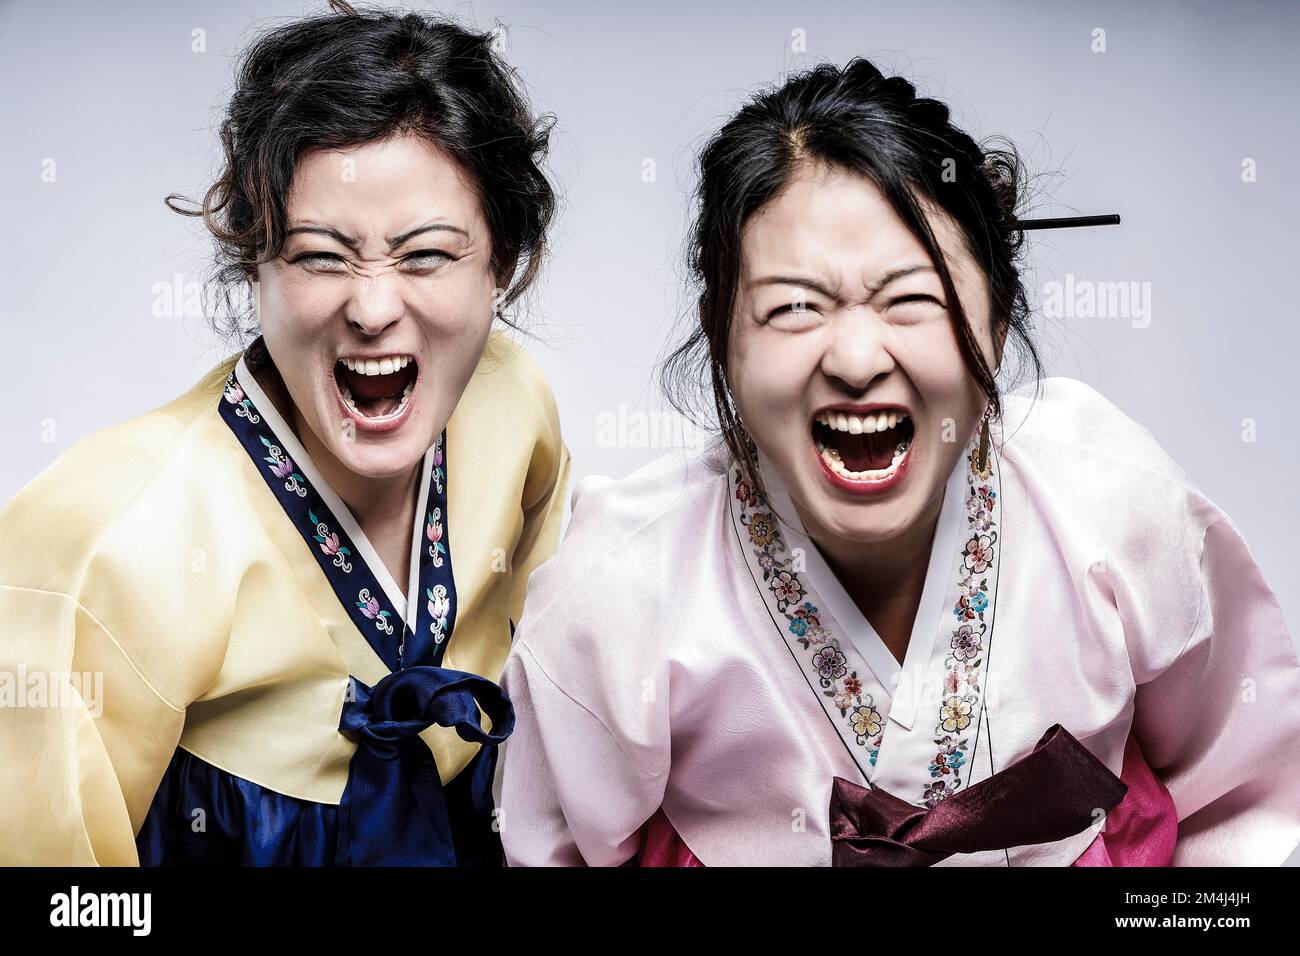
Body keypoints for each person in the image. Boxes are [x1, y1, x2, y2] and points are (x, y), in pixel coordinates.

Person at [495, 57, 1300, 866]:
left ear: (997, 313)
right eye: (792, 307)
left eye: (911, 298)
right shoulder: (618, 589)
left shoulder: (1110, 498)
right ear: (721, 333)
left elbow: (1245, 805)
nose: (853, 358)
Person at [0, 2, 568, 866]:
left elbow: (563, 700)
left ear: (502, 264)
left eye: (425, 256)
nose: (374, 308)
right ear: (255, 260)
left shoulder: (513, 410)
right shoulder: (102, 541)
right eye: (320, 256)